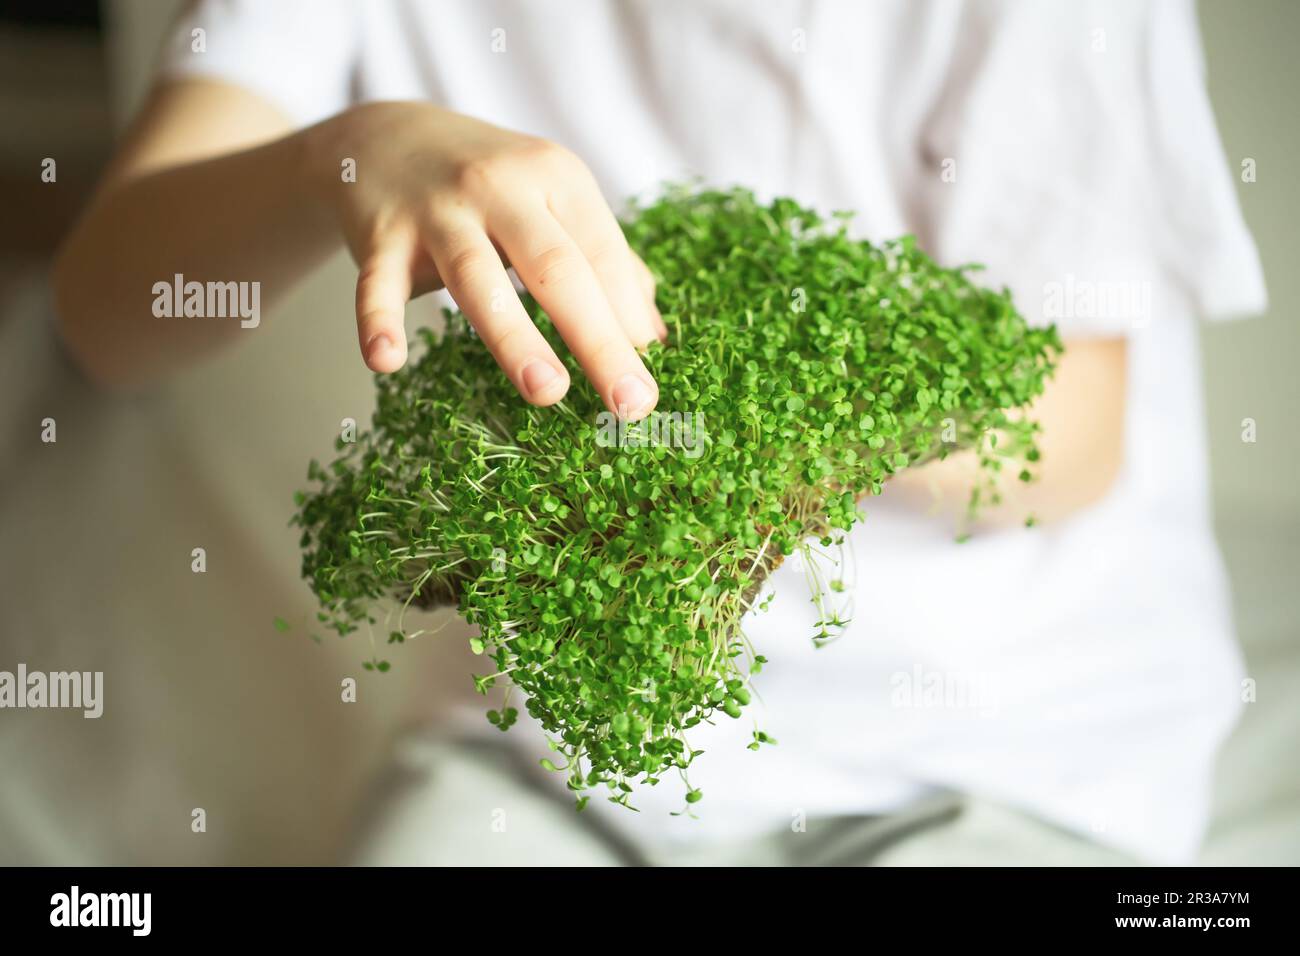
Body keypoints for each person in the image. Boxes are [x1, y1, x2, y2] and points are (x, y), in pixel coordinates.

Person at [53, 0, 1265, 865]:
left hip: (999, 750)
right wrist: (341, 149)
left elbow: (1075, 429)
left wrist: (743, 441)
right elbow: (113, 311)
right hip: (541, 758)